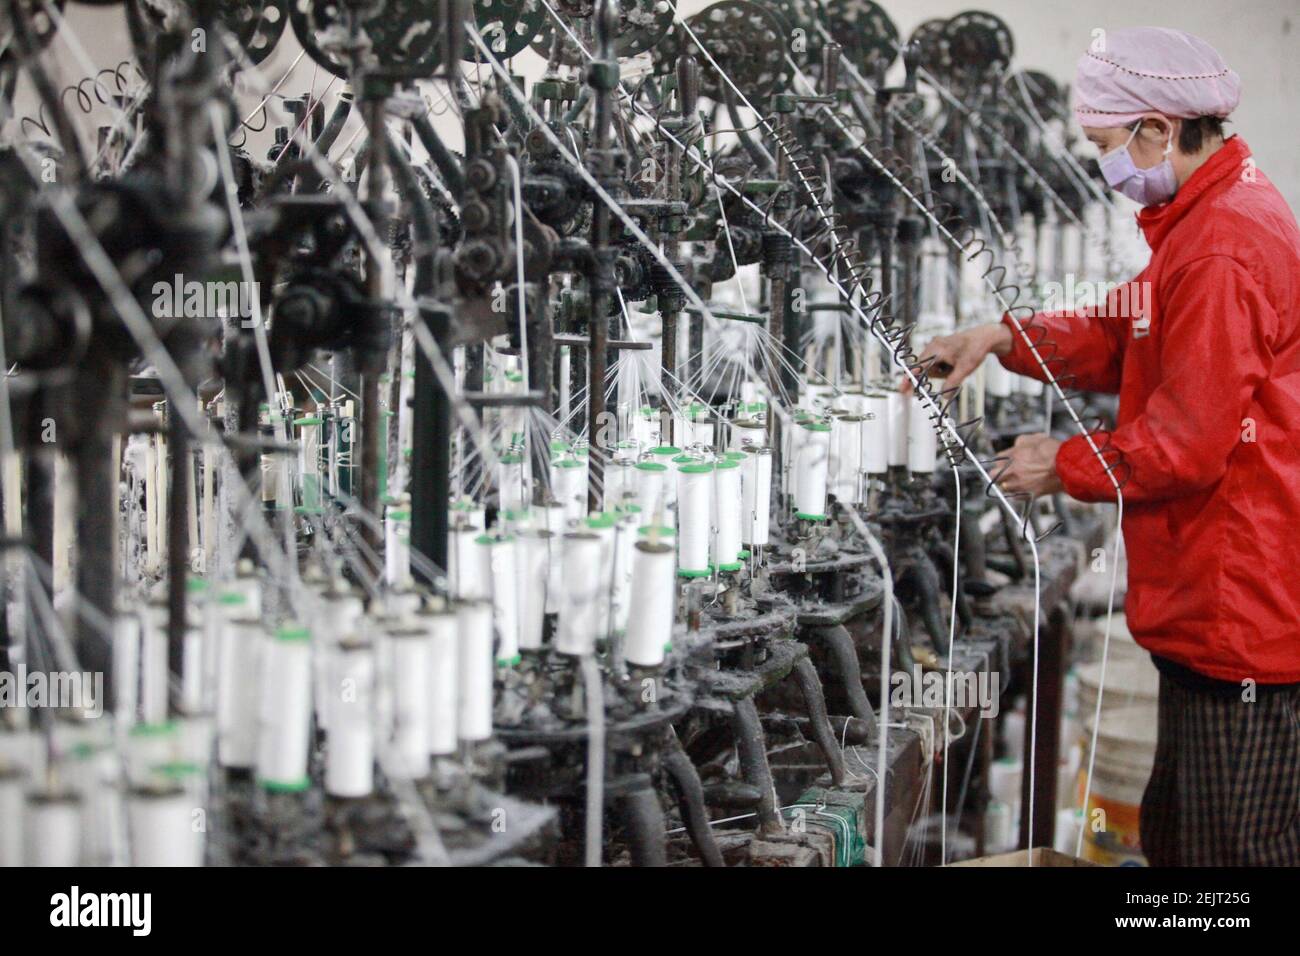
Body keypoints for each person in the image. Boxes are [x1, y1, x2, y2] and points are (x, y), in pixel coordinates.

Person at [914, 27, 1300, 866]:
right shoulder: (1203, 220)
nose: (1105, 165)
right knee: (1180, 837)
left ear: (1159, 131)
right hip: (1212, 597)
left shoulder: (1224, 247)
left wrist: (1063, 465)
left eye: (1105, 145)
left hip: (1240, 608)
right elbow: (1121, 330)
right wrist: (1001, 338)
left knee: (1229, 856)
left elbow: (1189, 444)